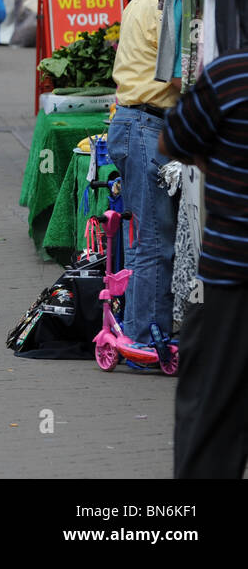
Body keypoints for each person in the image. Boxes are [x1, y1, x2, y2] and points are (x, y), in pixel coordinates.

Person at [160, 48, 248, 477]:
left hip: (230, 279)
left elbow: (174, 142)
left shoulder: (230, 75)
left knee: (210, 423)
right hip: (228, 279)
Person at [108, 0, 180, 343]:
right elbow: (176, 76)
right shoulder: (163, 8)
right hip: (146, 126)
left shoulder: (143, 0)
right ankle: (147, 335)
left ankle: (148, 329)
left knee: (151, 238)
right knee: (155, 240)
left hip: (138, 123)